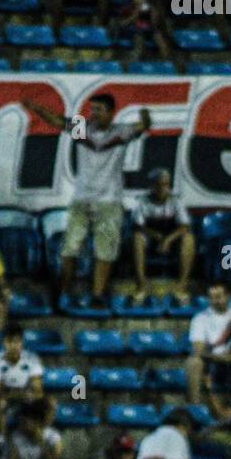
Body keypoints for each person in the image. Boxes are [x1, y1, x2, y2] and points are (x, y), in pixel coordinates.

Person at [23, 92, 151, 306]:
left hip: (109, 201)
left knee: (105, 252)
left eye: (99, 110)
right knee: (69, 248)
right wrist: (37, 108)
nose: (93, 114)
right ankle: (64, 291)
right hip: (81, 199)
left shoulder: (122, 131)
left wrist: (145, 114)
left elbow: (144, 125)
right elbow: (56, 120)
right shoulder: (82, 128)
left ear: (111, 113)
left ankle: (98, 296)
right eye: (92, 109)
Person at [132, 169, 195, 304]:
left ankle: (181, 286)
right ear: (152, 185)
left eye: (166, 184)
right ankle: (141, 285)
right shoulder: (142, 201)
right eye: (159, 184)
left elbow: (185, 226)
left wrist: (167, 240)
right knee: (137, 238)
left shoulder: (176, 201)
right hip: (150, 239)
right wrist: (157, 237)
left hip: (171, 240)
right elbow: (138, 226)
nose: (163, 188)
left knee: (188, 238)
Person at [186, 282, 231, 402]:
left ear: (228, 296)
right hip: (212, 361)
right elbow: (198, 349)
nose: (215, 300)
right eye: (212, 297)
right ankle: (195, 406)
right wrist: (220, 357)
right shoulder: (200, 318)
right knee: (193, 362)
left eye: (219, 296)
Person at [0, 323, 43, 430]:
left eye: (17, 341)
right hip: (7, 398)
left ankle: (38, 440)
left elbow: (37, 389)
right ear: (3, 342)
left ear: (22, 342)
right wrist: (19, 394)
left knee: (46, 403)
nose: (13, 346)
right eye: (9, 341)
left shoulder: (32, 359)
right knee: (0, 403)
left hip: (25, 397)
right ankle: (1, 439)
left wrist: (20, 394)